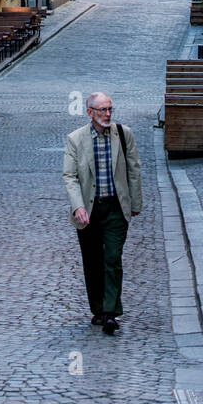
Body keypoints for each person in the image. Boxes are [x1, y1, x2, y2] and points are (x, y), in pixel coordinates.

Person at [62, 91, 142, 336]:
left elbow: (133, 168)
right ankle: (97, 309)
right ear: (90, 113)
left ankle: (110, 312)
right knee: (93, 261)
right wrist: (78, 206)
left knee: (112, 258)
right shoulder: (75, 139)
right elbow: (70, 176)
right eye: (102, 110)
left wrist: (135, 204)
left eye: (110, 109)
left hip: (116, 208)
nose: (108, 114)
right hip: (89, 209)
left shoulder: (123, 134)